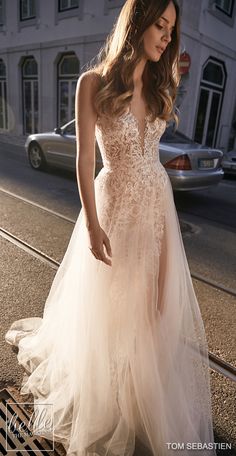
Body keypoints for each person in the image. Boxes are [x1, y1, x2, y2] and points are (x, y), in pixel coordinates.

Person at [5, 0, 217, 455]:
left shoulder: (162, 86)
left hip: (156, 205)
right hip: (112, 205)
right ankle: (110, 399)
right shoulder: (93, 83)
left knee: (155, 306)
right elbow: (85, 160)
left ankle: (140, 396)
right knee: (111, 307)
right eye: (159, 24)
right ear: (138, 21)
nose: (166, 36)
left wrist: (165, 238)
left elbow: (152, 164)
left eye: (171, 28)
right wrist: (93, 225)